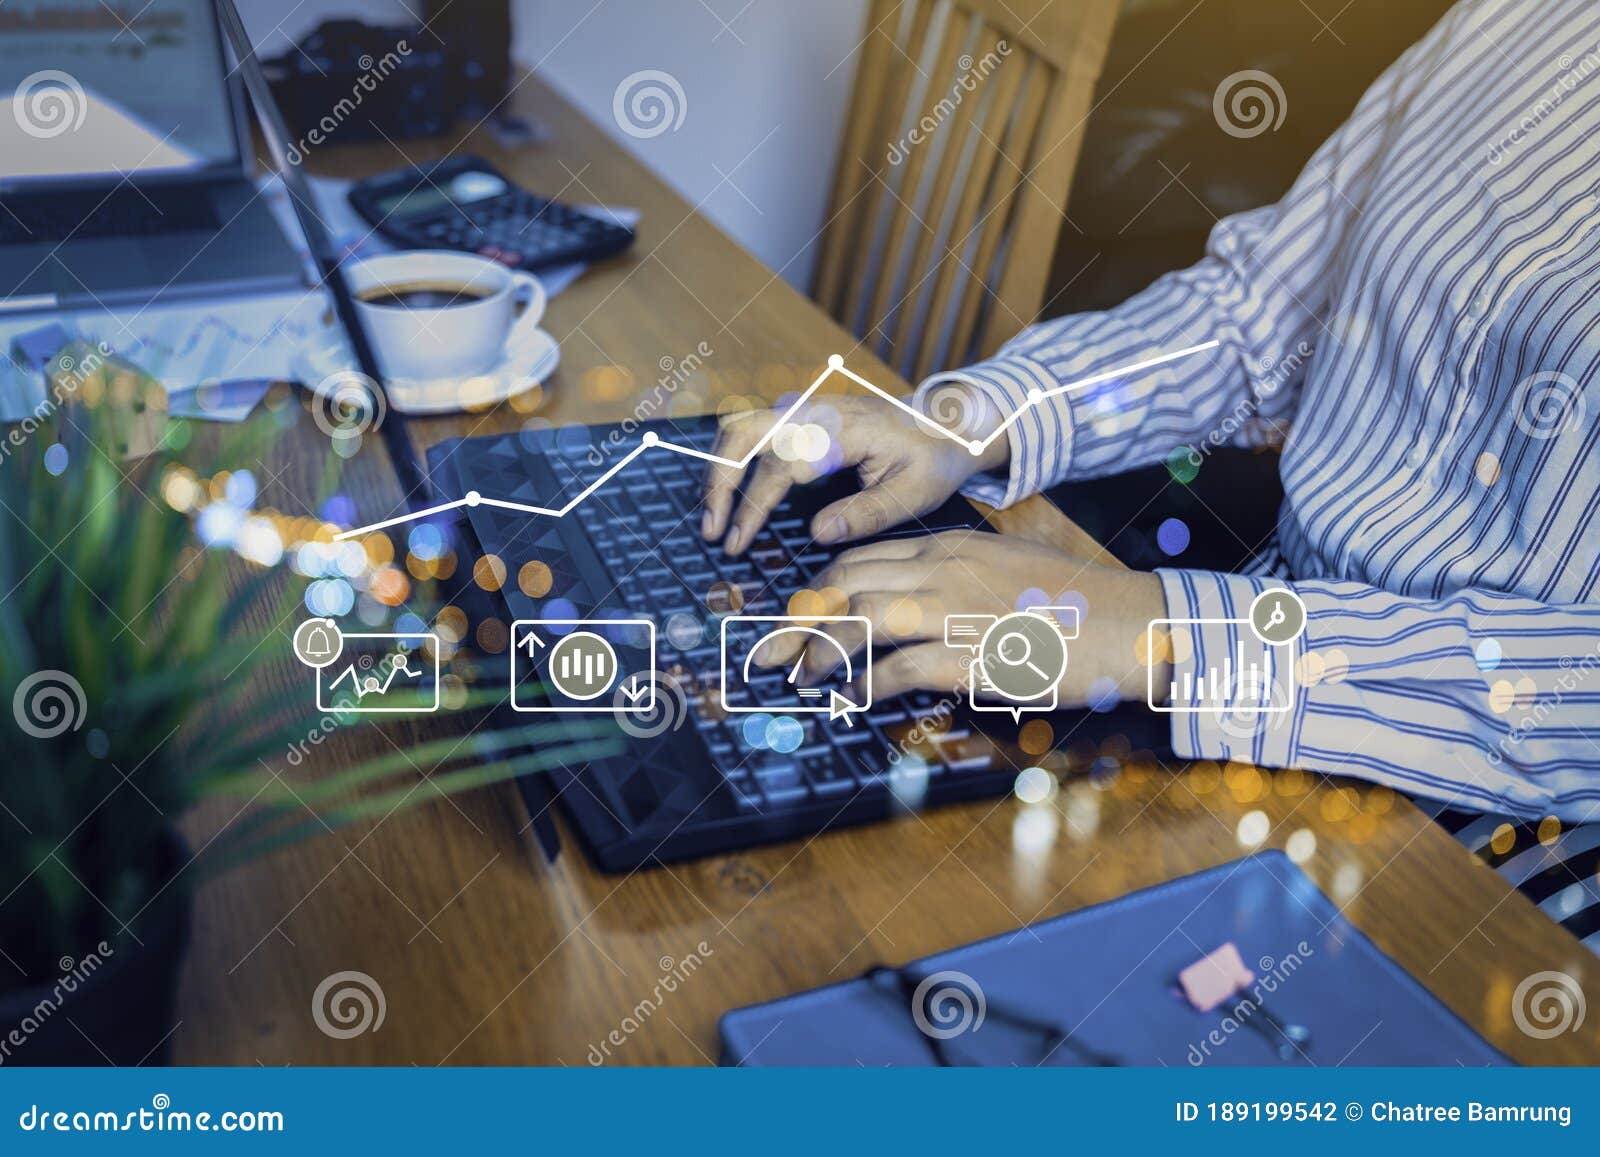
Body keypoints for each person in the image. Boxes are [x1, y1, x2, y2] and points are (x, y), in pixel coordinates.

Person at [701, 0, 1600, 881]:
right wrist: (972, 417)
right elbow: (1255, 322)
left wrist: (1158, 629)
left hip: (1497, 856)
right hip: (1230, 677)